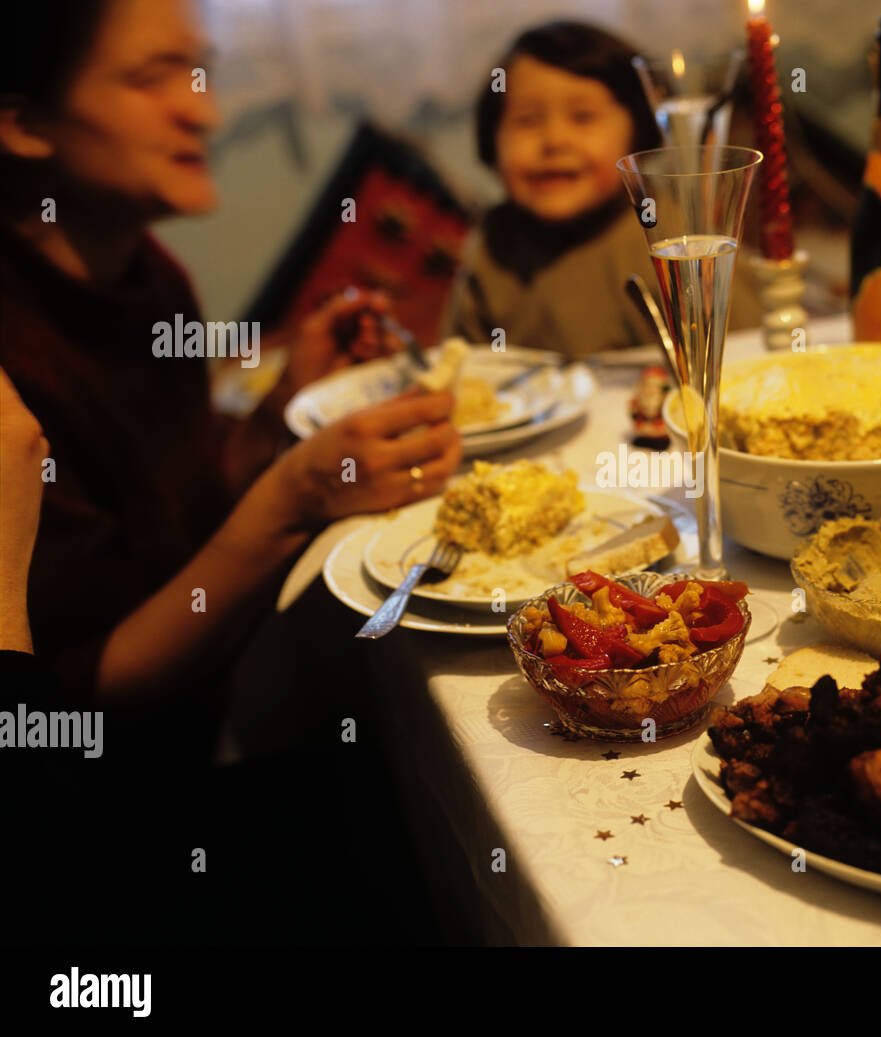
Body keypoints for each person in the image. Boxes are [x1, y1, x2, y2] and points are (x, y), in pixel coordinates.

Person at [0, 0, 462, 706]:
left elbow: (175, 529)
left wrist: (277, 417)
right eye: (154, 78)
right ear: (24, 123)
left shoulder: (149, 275)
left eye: (198, 71)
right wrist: (291, 501)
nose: (204, 112)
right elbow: (83, 693)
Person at [447, 20, 760, 358]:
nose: (554, 141)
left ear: (637, 132)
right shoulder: (493, 244)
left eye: (583, 117)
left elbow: (741, 354)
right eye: (527, 120)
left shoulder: (665, 237)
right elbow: (464, 366)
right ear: (491, 139)